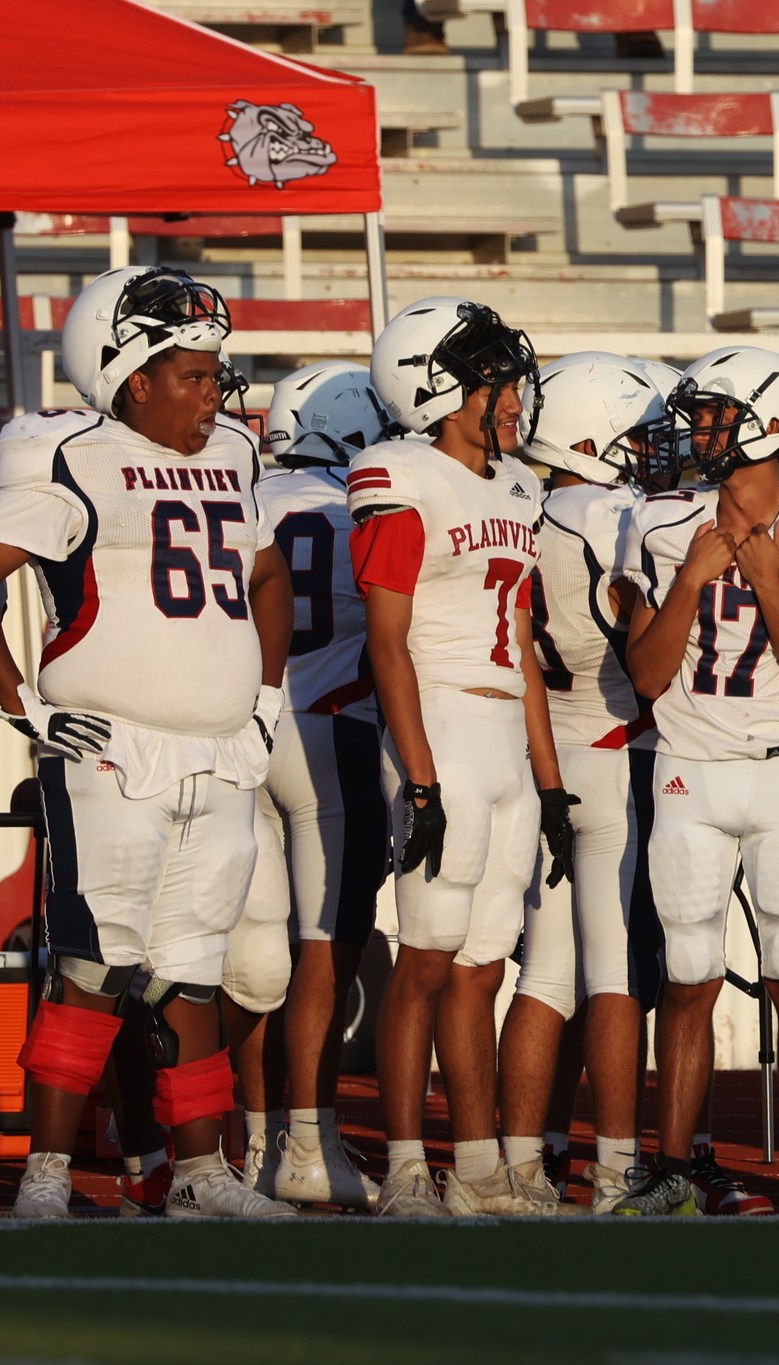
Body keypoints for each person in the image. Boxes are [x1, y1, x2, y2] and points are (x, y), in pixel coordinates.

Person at [0, 266, 297, 1220]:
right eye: (193, 372)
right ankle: (46, 1175)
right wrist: (19, 704)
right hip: (110, 748)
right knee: (95, 961)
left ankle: (201, 1174)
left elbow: (268, 579)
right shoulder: (71, 457)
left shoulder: (234, 455)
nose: (215, 391)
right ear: (133, 375)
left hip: (218, 752)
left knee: (193, 967)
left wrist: (264, 697)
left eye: (217, 372)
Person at [612, 345, 779, 1217]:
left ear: (765, 422)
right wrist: (691, 578)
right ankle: (677, 1167)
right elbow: (648, 676)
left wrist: (767, 584)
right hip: (689, 767)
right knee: (686, 976)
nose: (698, 429)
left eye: (716, 413)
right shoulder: (656, 524)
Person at [349, 296, 580, 1217]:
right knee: (428, 959)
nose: (516, 394)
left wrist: (551, 782)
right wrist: (419, 773)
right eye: (495, 377)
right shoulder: (399, 472)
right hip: (437, 722)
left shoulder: (519, 485)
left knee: (484, 961)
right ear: (434, 387)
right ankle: (408, 1162)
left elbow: (520, 640)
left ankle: (477, 1164)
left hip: (503, 740)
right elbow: (387, 642)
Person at [219, 360, 396, 1212]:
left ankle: (245, 1141)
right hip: (338, 731)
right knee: (324, 949)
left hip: (239, 731)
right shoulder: (367, 496)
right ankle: (307, 1142)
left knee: (246, 957)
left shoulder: (241, 497)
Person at [505, 352, 667, 1213]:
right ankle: (613, 1171)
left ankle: (522, 1166)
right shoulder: (616, 515)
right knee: (615, 976)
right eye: (638, 433)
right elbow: (649, 647)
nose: (650, 451)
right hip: (614, 744)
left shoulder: (517, 504)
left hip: (543, 749)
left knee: (543, 971)